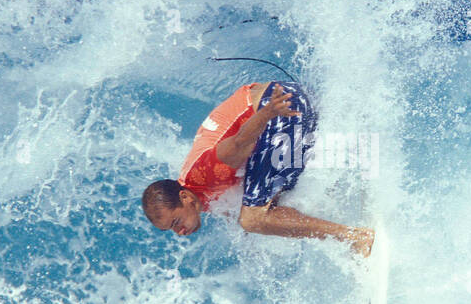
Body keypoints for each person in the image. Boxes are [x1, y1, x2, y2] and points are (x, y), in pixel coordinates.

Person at [142, 82, 373, 257]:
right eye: (171, 230)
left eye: (175, 223)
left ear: (184, 197)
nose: (180, 232)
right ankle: (358, 149)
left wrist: (269, 111)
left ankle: (356, 238)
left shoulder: (205, 173)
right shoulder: (199, 197)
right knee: (265, 210)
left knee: (252, 219)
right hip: (285, 104)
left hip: (280, 107)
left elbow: (239, 143)